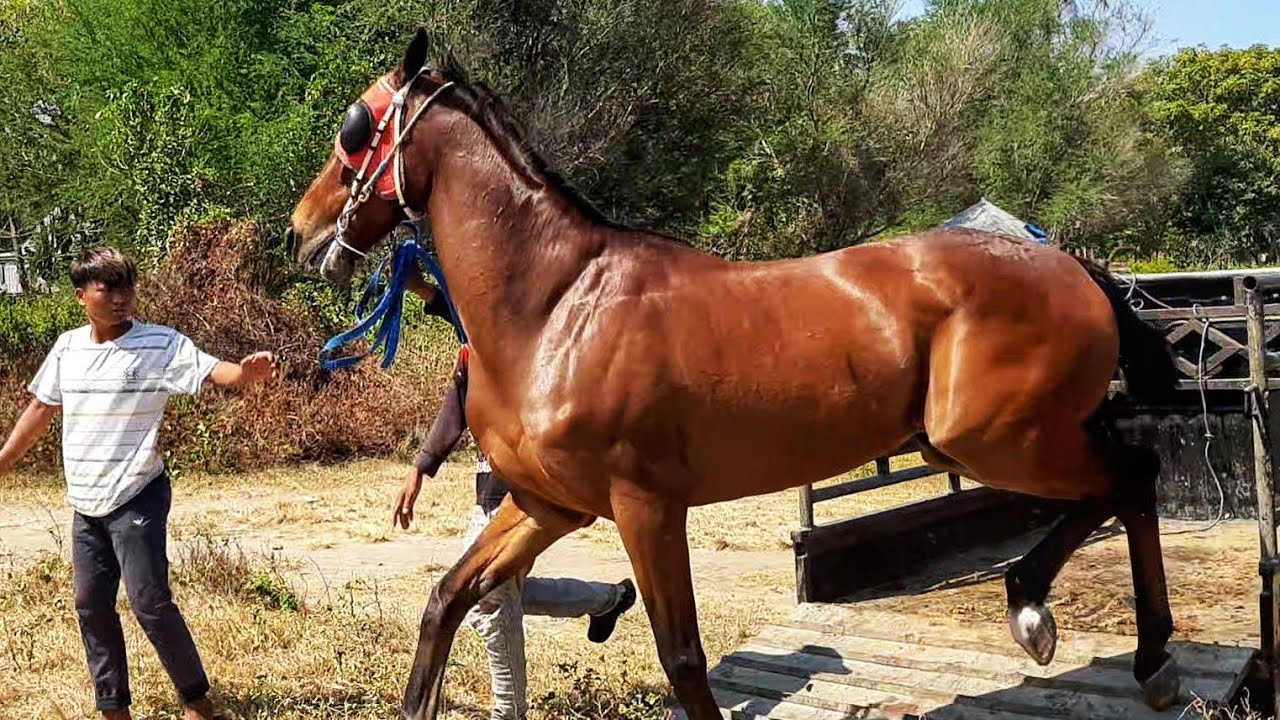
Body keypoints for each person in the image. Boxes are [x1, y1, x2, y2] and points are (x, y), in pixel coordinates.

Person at [0, 248, 280, 720]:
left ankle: (196, 700)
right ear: (80, 295)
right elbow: (40, 408)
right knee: (90, 605)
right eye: (106, 288)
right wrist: (4, 461)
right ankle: (113, 706)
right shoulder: (68, 349)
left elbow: (216, 371)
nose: (119, 298)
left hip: (137, 494)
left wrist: (245, 375)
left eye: (126, 287)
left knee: (149, 601)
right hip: (86, 501)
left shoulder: (160, 344)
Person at [393, 338, 637, 720]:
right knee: (489, 597)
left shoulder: (543, 330)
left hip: (523, 497)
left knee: (489, 602)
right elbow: (459, 394)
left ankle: (510, 712)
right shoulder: (475, 336)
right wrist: (420, 468)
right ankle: (607, 600)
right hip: (487, 491)